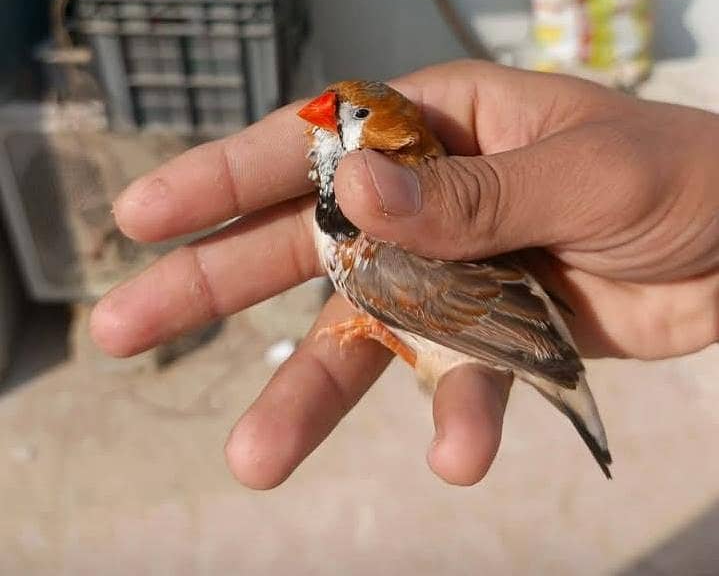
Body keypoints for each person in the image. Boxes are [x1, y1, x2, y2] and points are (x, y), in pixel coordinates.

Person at [90, 60, 719, 488]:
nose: (323, 116)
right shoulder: (359, 216)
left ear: (388, 140)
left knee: (389, 320)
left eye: (347, 114)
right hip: (516, 310)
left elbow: (454, 295)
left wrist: (386, 327)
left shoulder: (377, 250)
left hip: (513, 329)